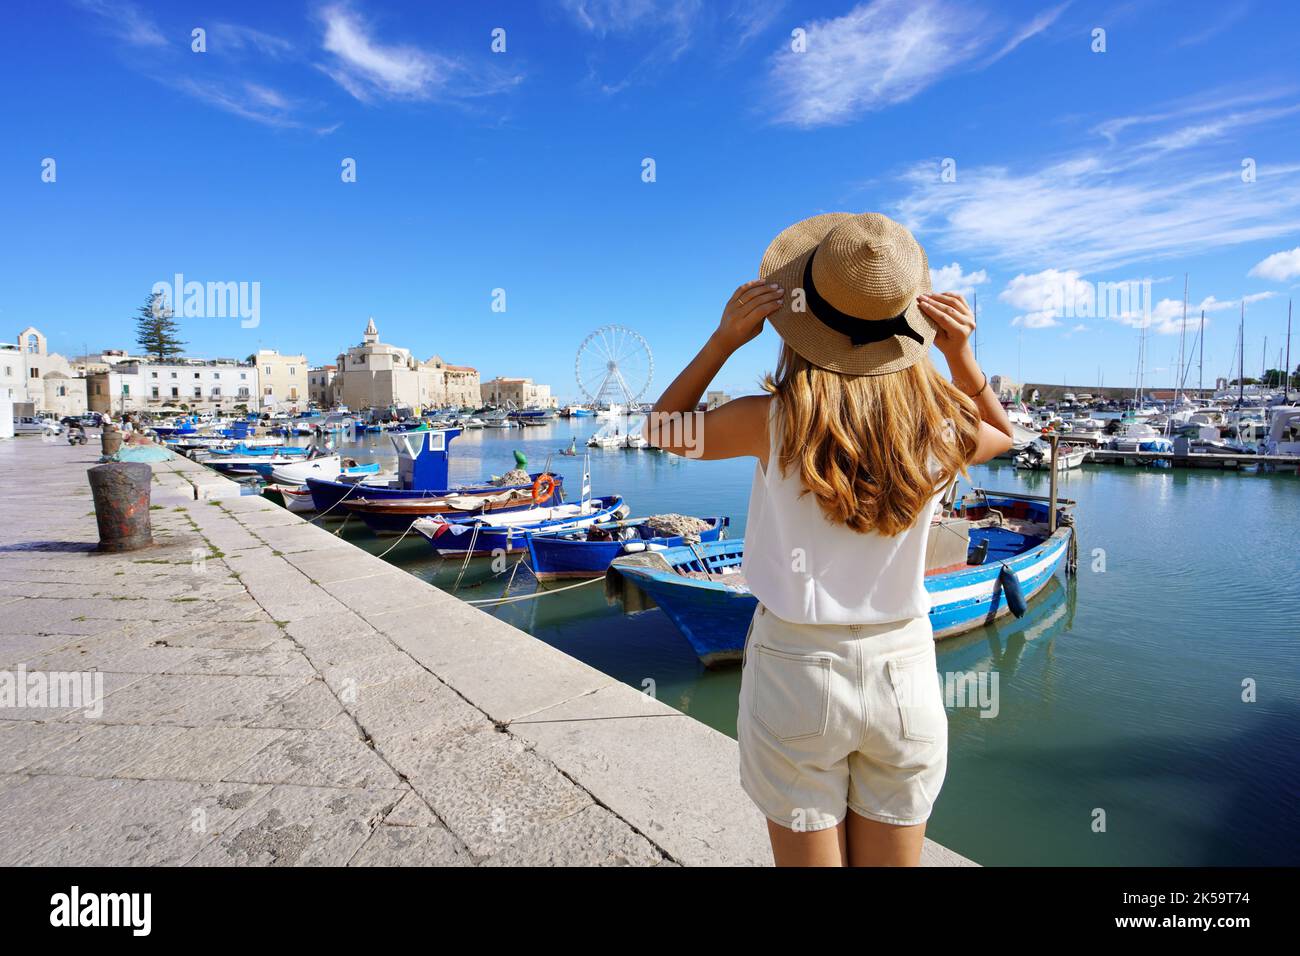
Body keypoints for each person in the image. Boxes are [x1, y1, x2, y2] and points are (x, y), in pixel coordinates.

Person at [647, 213, 1014, 867]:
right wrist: (961, 357)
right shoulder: (938, 427)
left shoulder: (770, 421)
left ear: (803, 318)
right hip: (903, 668)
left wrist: (723, 341)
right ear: (910, 322)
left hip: (796, 667)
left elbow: (663, 431)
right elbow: (1004, 436)